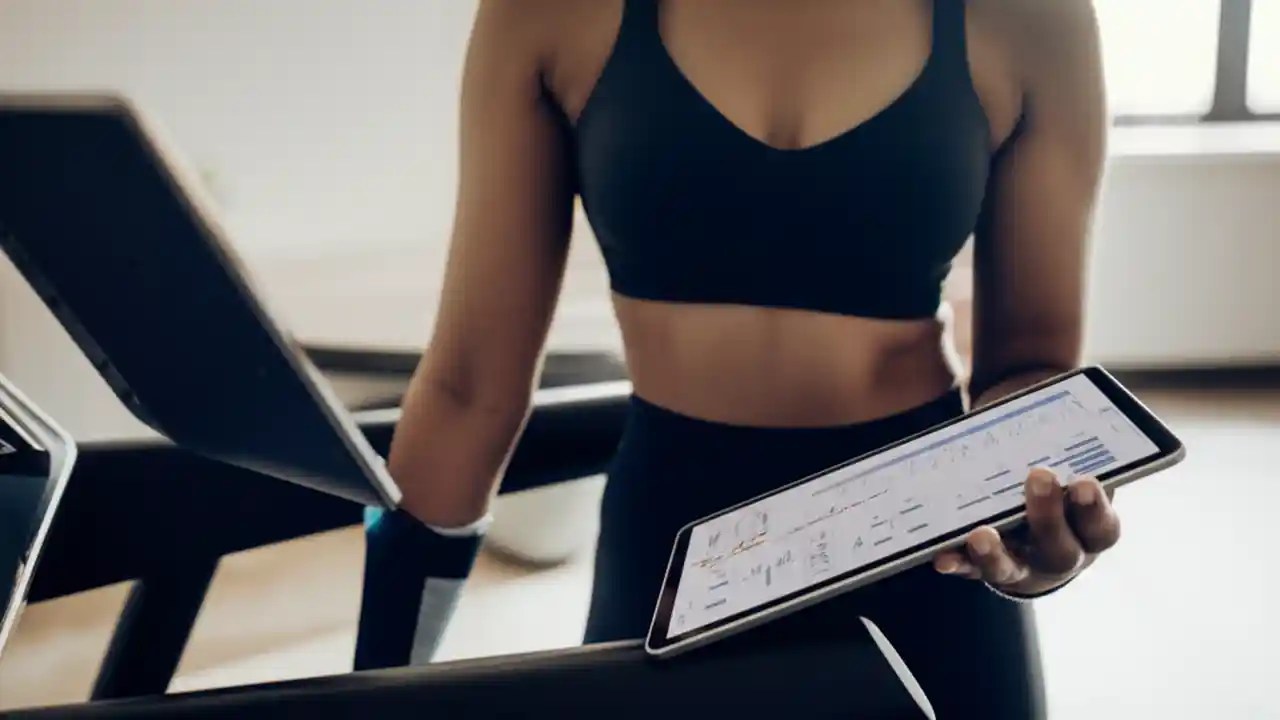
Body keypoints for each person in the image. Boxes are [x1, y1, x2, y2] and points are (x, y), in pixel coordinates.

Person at [354, 0, 1120, 716]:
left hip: (929, 561)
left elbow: (1031, 365)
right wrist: (369, 690)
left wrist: (1034, 511)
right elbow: (468, 391)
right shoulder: (549, 11)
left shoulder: (1030, 15)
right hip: (668, 565)